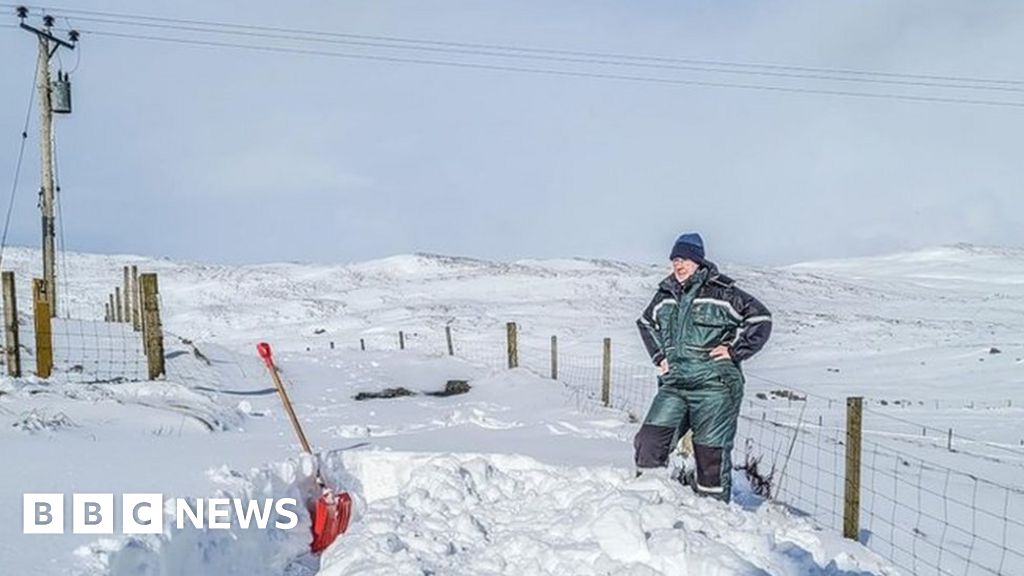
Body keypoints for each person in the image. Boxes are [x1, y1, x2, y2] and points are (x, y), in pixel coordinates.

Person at [633, 233, 772, 503]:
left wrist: (734, 351)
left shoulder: (723, 293)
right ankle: (645, 501)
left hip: (715, 386)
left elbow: (761, 318)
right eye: (674, 259)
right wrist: (659, 356)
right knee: (649, 441)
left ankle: (713, 516)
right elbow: (645, 323)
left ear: (698, 261)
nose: (678, 265)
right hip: (674, 385)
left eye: (683, 259)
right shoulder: (665, 294)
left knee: (710, 455)